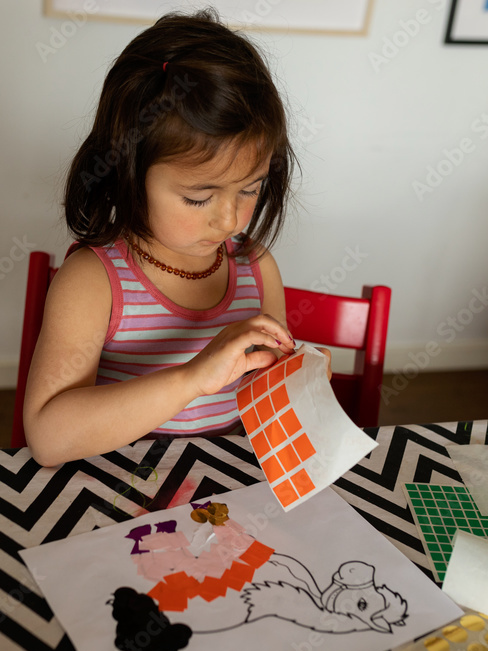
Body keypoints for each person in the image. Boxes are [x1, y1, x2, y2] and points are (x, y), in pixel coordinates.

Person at [23, 9, 299, 467]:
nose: (230, 219)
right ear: (128, 173)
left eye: (250, 189)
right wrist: (192, 378)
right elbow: (49, 439)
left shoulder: (257, 268)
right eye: (198, 198)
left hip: (226, 493)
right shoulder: (93, 282)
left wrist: (296, 381)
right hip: (118, 493)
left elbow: (265, 404)